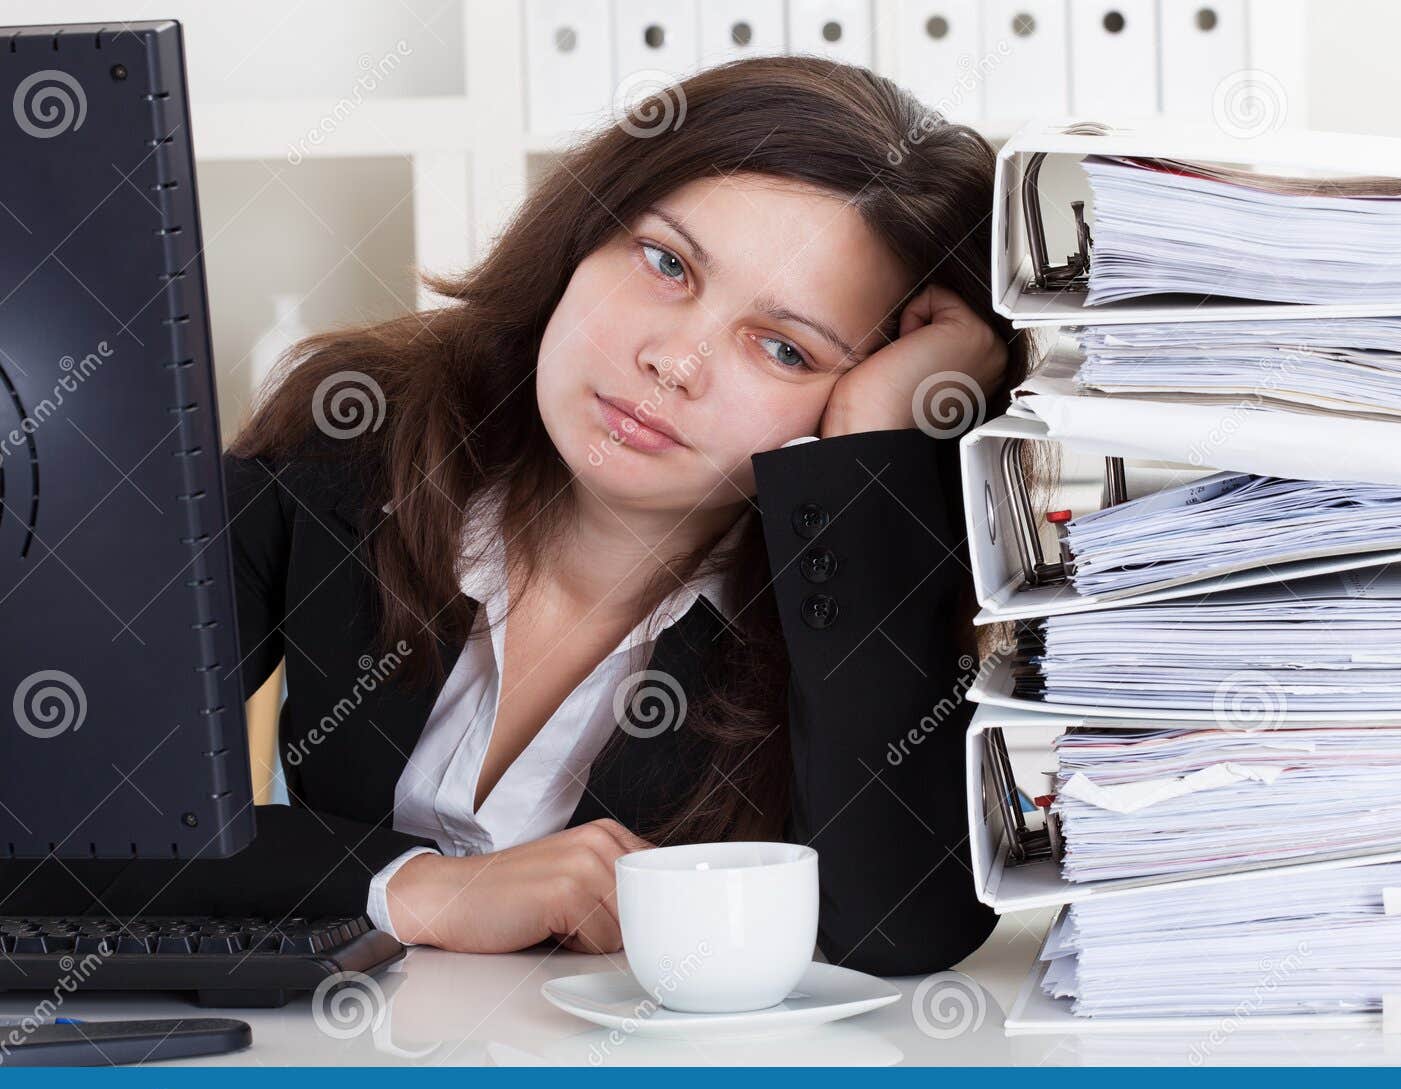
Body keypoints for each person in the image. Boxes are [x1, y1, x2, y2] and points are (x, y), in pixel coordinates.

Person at [7, 55, 1041, 977]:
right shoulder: (353, 437)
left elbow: (896, 929)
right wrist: (415, 886)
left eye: (785, 349)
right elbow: (49, 808)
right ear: (582, 232)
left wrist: (870, 452)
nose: (671, 362)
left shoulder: (835, 593)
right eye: (668, 263)